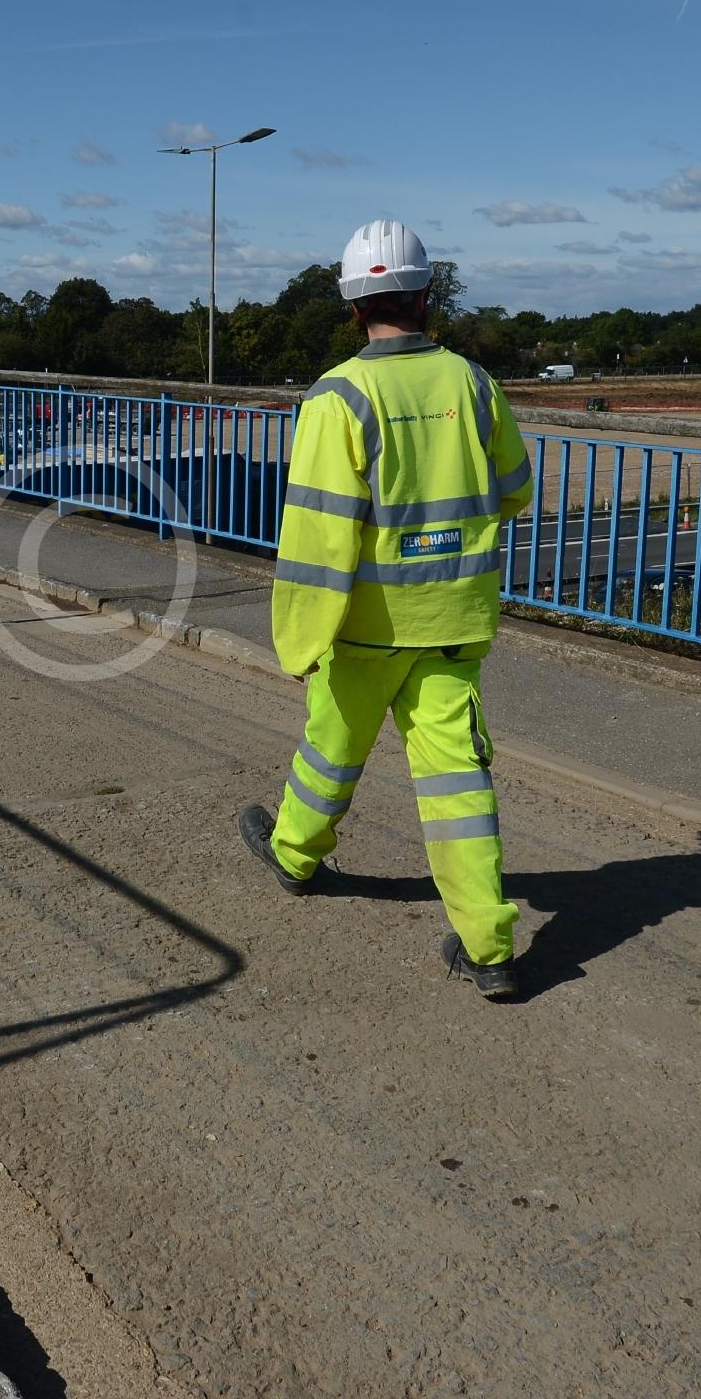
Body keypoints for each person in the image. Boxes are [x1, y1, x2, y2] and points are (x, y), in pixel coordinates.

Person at [237, 220, 534, 1000]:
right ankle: (489, 948)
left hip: (365, 627)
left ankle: (296, 857)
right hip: (453, 624)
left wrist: (300, 636)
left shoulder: (339, 395)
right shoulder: (473, 383)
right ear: (426, 293)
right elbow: (516, 490)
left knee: (331, 750)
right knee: (457, 782)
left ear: (353, 305)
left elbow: (316, 533)